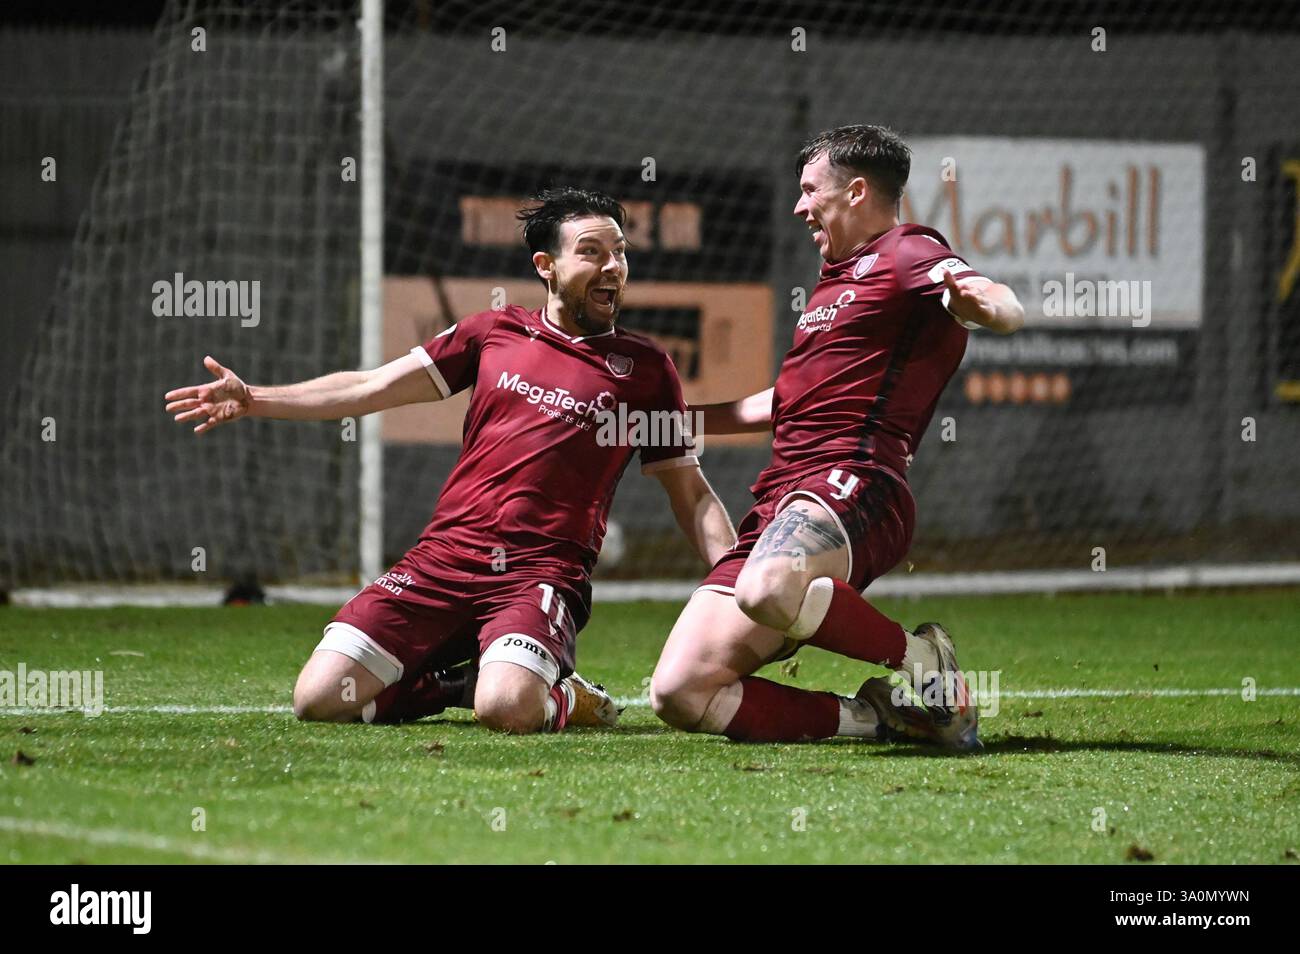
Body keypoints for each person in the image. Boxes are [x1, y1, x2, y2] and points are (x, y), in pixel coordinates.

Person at [165, 187, 734, 733]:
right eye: (591, 252)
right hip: (442, 560)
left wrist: (735, 590)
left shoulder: (646, 370)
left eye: (620, 253)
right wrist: (256, 398)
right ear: (547, 266)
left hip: (539, 575)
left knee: (508, 709)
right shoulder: (493, 333)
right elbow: (371, 387)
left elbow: (690, 491)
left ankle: (561, 695)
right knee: (319, 699)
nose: (613, 267)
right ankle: (456, 686)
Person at [650, 125, 1025, 750]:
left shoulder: (906, 252)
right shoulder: (833, 283)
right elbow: (787, 402)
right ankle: (884, 718)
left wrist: (992, 309)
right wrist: (671, 421)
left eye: (808, 191)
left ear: (855, 191)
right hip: (781, 500)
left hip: (857, 481)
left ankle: (922, 659)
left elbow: (992, 298)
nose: (800, 207)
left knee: (768, 587)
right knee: (680, 691)